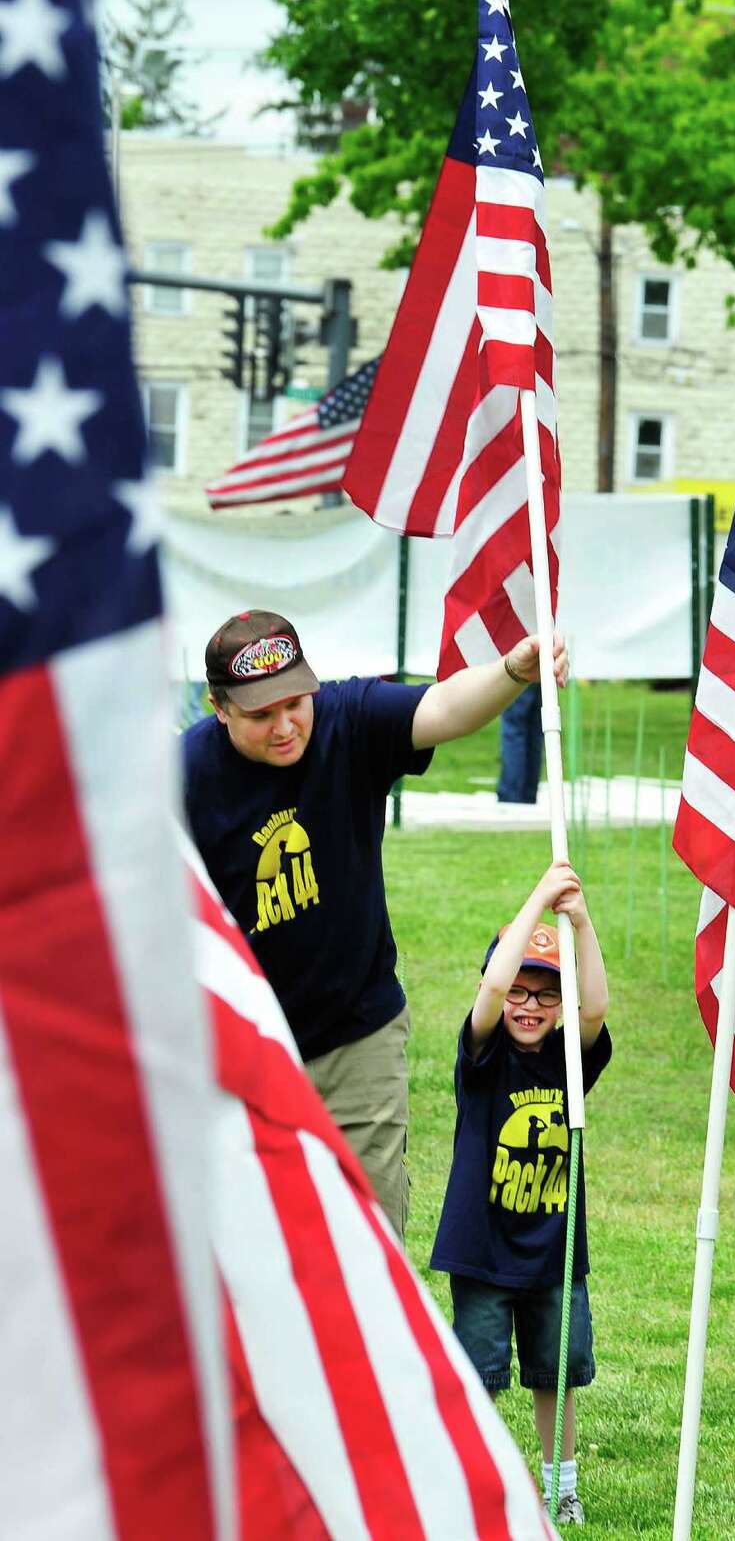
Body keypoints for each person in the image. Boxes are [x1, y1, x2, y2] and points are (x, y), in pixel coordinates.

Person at [182, 608, 566, 1243]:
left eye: (294, 703)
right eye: (261, 714)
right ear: (219, 708)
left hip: (357, 1036)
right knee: (250, 1241)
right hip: (241, 1049)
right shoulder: (182, 780)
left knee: (369, 1235)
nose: (286, 726)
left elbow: (443, 708)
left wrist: (510, 672)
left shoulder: (347, 718)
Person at [431, 861, 611, 1529]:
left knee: (555, 1374)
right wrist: (540, 897)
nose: (529, 1005)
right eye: (519, 992)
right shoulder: (482, 1057)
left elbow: (596, 1007)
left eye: (545, 995)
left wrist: (580, 922)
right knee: (478, 1376)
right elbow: (492, 987)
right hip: (482, 1251)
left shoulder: (568, 1062)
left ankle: (561, 1488)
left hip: (553, 1253)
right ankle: (472, 1487)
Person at [496, 679, 543, 803]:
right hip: (541, 672)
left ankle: (511, 794)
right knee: (533, 730)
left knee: (514, 728)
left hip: (522, 671)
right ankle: (528, 795)